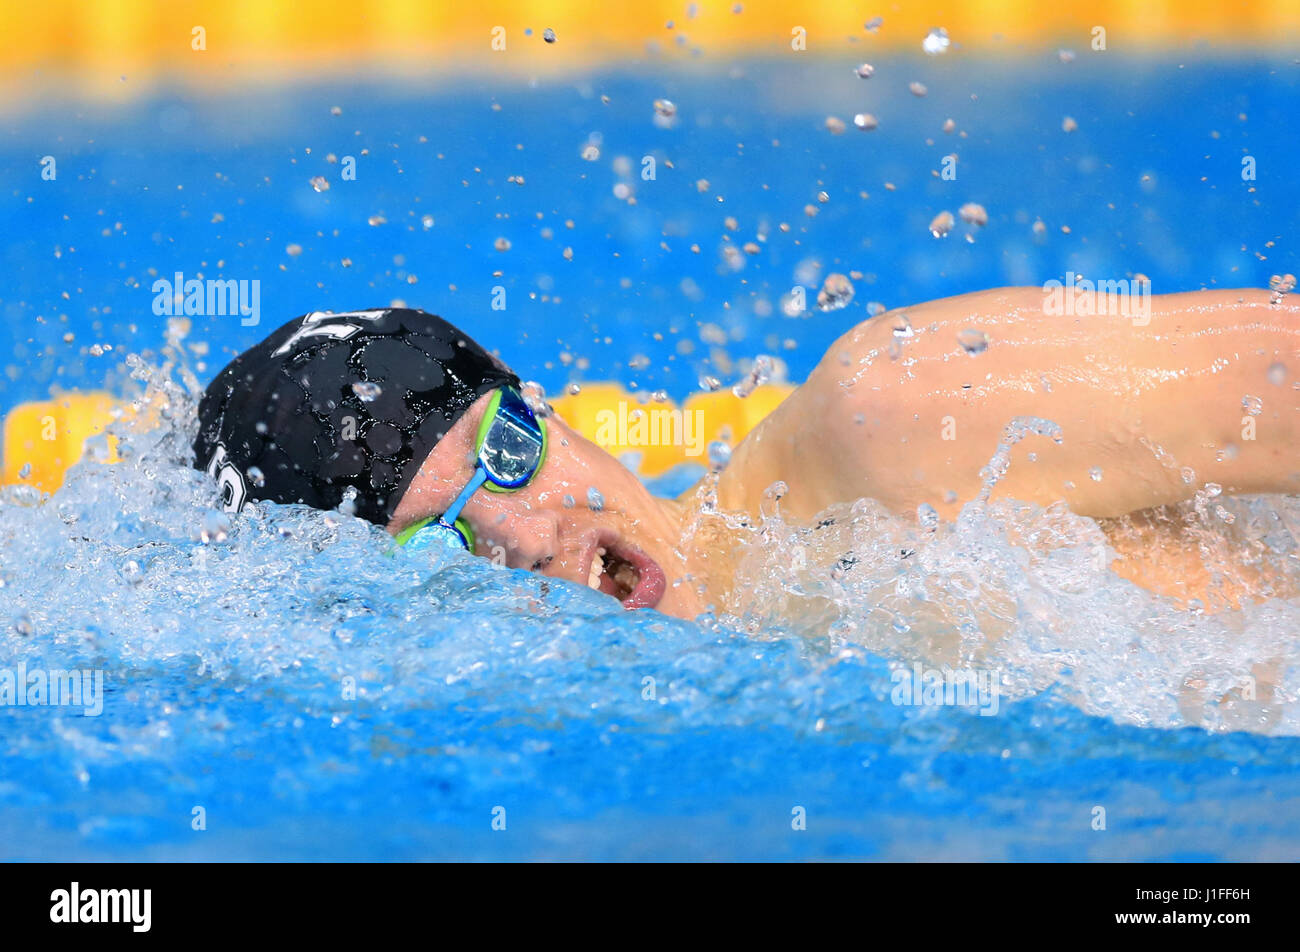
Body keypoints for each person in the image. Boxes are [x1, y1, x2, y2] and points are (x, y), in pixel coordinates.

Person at [194, 288, 1298, 620]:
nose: (528, 543)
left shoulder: (890, 419)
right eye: (436, 546)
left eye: (510, 450)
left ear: (550, 409)